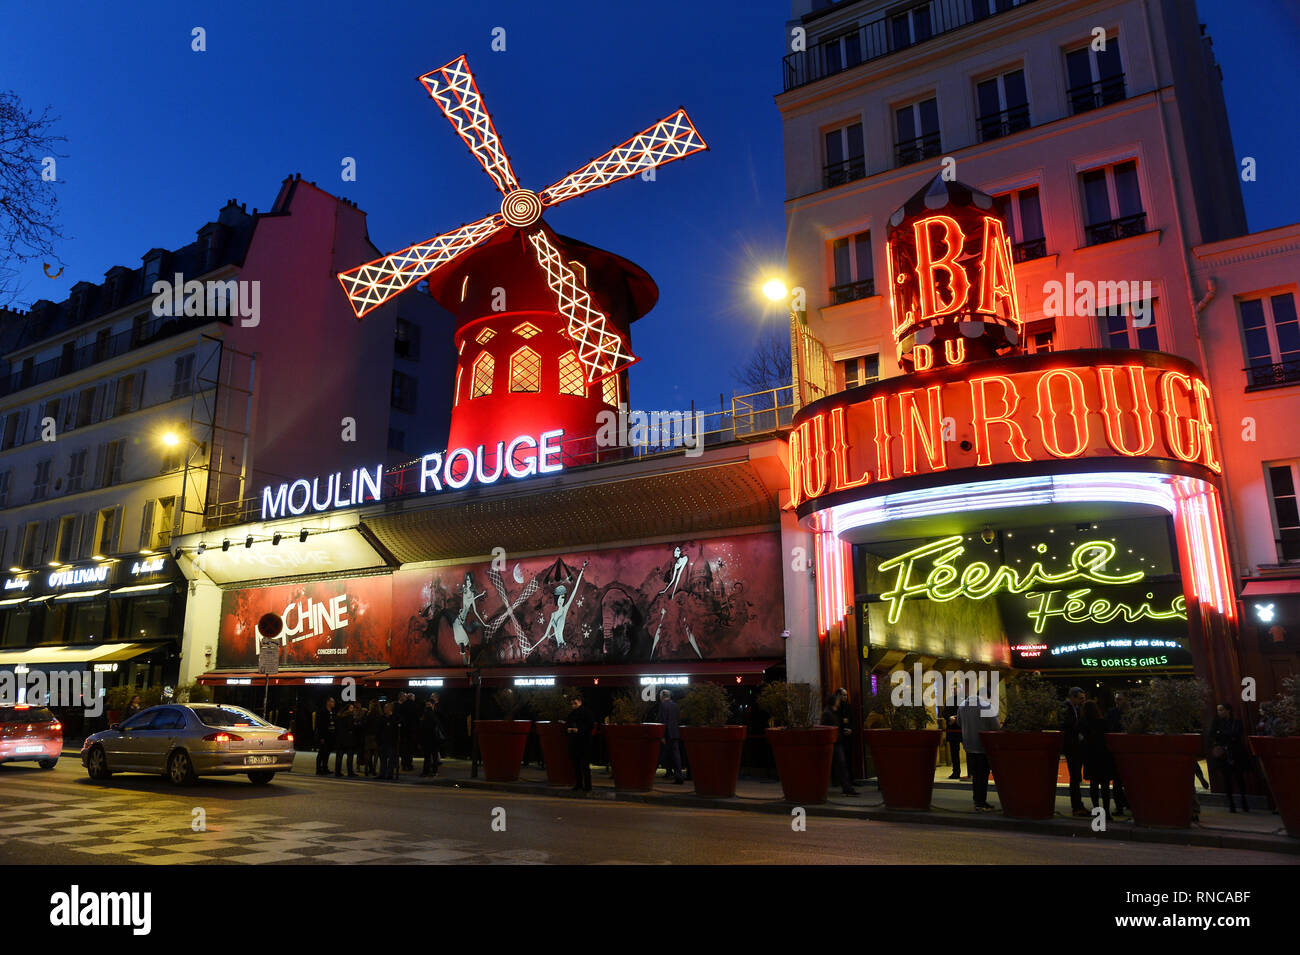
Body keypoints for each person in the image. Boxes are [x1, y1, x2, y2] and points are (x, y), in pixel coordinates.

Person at [958, 689, 1000, 811]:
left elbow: (959, 723)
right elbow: (996, 726)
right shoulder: (986, 706)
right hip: (983, 745)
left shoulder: (962, 705)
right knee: (983, 775)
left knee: (975, 775)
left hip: (968, 745)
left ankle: (978, 800)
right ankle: (981, 801)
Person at [1209, 702, 1250, 812]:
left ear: (1228, 710)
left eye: (1221, 710)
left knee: (1239, 778)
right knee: (1227, 779)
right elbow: (1212, 735)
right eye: (1218, 710)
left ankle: (1243, 801)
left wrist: (1222, 734)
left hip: (1236, 754)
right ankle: (1231, 804)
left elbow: (1236, 735)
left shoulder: (1236, 722)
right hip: (1224, 755)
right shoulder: (1216, 723)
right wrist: (1227, 735)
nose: (1219, 712)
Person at [1083, 699, 1117, 819]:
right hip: (1103, 755)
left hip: (1091, 755)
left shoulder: (1084, 723)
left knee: (1093, 784)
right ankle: (1106, 812)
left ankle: (1097, 810)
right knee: (1105, 785)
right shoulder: (1103, 722)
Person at [822, 688, 859, 795]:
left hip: (838, 742)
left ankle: (846, 787)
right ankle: (845, 787)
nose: (842, 699)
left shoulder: (835, 711)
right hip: (834, 743)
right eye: (841, 697)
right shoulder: (829, 713)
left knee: (841, 765)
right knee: (840, 765)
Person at [1061, 687, 1089, 817]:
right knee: (1075, 777)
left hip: (1075, 746)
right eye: (1080, 698)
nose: (1083, 701)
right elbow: (1068, 725)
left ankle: (1078, 805)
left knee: (1076, 777)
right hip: (1072, 746)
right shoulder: (1067, 709)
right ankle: (1077, 806)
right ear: (1073, 697)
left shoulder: (1076, 708)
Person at [1105, 692, 1130, 817]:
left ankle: (1125, 803)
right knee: (1118, 781)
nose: (1117, 702)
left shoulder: (1130, 713)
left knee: (1124, 781)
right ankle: (1120, 805)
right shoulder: (1113, 713)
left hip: (1127, 751)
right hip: (1117, 751)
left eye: (1119, 699)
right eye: (1116, 700)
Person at [565, 692, 595, 792]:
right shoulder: (573, 713)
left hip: (583, 742)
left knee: (584, 765)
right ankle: (580, 784)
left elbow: (590, 725)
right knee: (577, 765)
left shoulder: (585, 712)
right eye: (572, 703)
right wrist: (569, 729)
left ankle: (586, 785)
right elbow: (567, 724)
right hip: (576, 742)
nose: (573, 705)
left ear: (580, 702)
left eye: (575, 703)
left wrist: (579, 729)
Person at [658, 690, 684, 784]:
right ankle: (678, 775)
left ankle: (670, 772)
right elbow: (678, 719)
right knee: (676, 755)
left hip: (667, 734)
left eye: (660, 695)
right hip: (675, 733)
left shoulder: (663, 705)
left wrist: (662, 735)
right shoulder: (675, 705)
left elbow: (663, 720)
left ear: (662, 696)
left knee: (666, 755)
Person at [420, 696, 445, 777]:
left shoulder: (425, 714)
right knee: (434, 756)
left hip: (428, 738)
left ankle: (426, 771)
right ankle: (434, 771)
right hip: (434, 739)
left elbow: (423, 727)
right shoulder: (435, 714)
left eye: (428, 705)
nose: (427, 706)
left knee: (427, 756)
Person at [334, 702, 357, 777]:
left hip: (340, 739)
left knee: (339, 756)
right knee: (350, 756)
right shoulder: (350, 716)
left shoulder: (339, 716)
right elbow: (350, 727)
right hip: (348, 739)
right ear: (347, 708)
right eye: (351, 708)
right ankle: (350, 772)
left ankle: (337, 771)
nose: (352, 709)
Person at [399, 692, 420, 772]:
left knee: (404, 748)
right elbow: (417, 718)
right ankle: (409, 764)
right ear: (412, 698)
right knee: (410, 748)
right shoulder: (415, 706)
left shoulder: (403, 705)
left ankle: (403, 764)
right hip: (412, 730)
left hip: (404, 729)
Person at [378, 701, 400, 780]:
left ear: (390, 709)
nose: (384, 709)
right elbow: (379, 729)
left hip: (391, 742)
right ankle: (382, 774)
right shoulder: (382, 718)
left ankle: (389, 774)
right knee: (383, 759)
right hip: (383, 741)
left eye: (386, 708)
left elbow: (396, 729)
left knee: (391, 759)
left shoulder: (394, 718)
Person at [316, 697, 337, 776]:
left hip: (330, 735)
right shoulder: (322, 711)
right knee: (321, 752)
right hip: (324, 735)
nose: (334, 703)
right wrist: (321, 737)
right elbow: (319, 725)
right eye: (332, 702)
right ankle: (318, 769)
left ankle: (325, 767)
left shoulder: (332, 712)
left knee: (327, 752)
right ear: (328, 702)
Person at [363, 700, 381, 777]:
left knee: (367, 753)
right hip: (376, 735)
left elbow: (364, 724)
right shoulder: (380, 714)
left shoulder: (368, 714)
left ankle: (366, 769)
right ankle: (373, 769)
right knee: (376, 753)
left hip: (368, 735)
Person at [945, 713, 963, 780]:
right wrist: (950, 717)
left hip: (962, 727)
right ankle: (956, 771)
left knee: (969, 751)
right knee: (954, 752)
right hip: (952, 729)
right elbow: (945, 713)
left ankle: (971, 771)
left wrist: (955, 717)